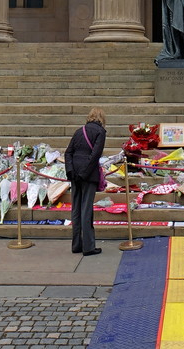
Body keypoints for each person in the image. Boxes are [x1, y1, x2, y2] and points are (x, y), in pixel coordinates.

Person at [65, 107, 108, 256]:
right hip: (87, 174)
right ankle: (88, 246)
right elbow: (95, 155)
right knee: (86, 209)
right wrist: (84, 173)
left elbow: (68, 152)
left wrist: (71, 171)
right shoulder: (100, 132)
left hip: (75, 172)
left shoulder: (79, 131)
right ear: (102, 118)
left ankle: (77, 244)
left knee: (76, 209)